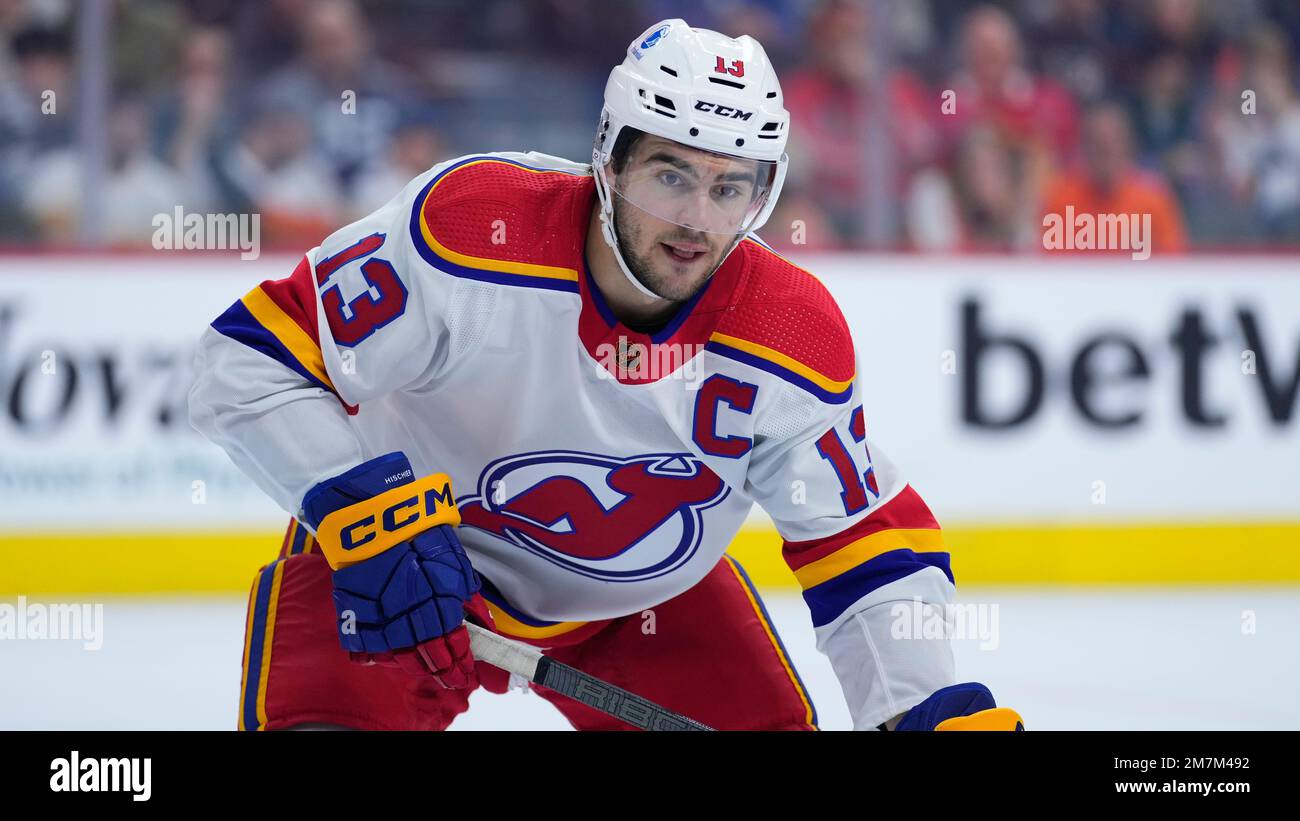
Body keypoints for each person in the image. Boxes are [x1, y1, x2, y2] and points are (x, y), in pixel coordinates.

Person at [189, 19, 1021, 732]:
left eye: (731, 187)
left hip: (646, 606)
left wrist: (927, 705)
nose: (699, 220)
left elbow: (861, 544)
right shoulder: (469, 230)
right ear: (610, 162)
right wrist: (364, 511)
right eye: (672, 176)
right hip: (399, 568)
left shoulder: (790, 332)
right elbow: (245, 359)